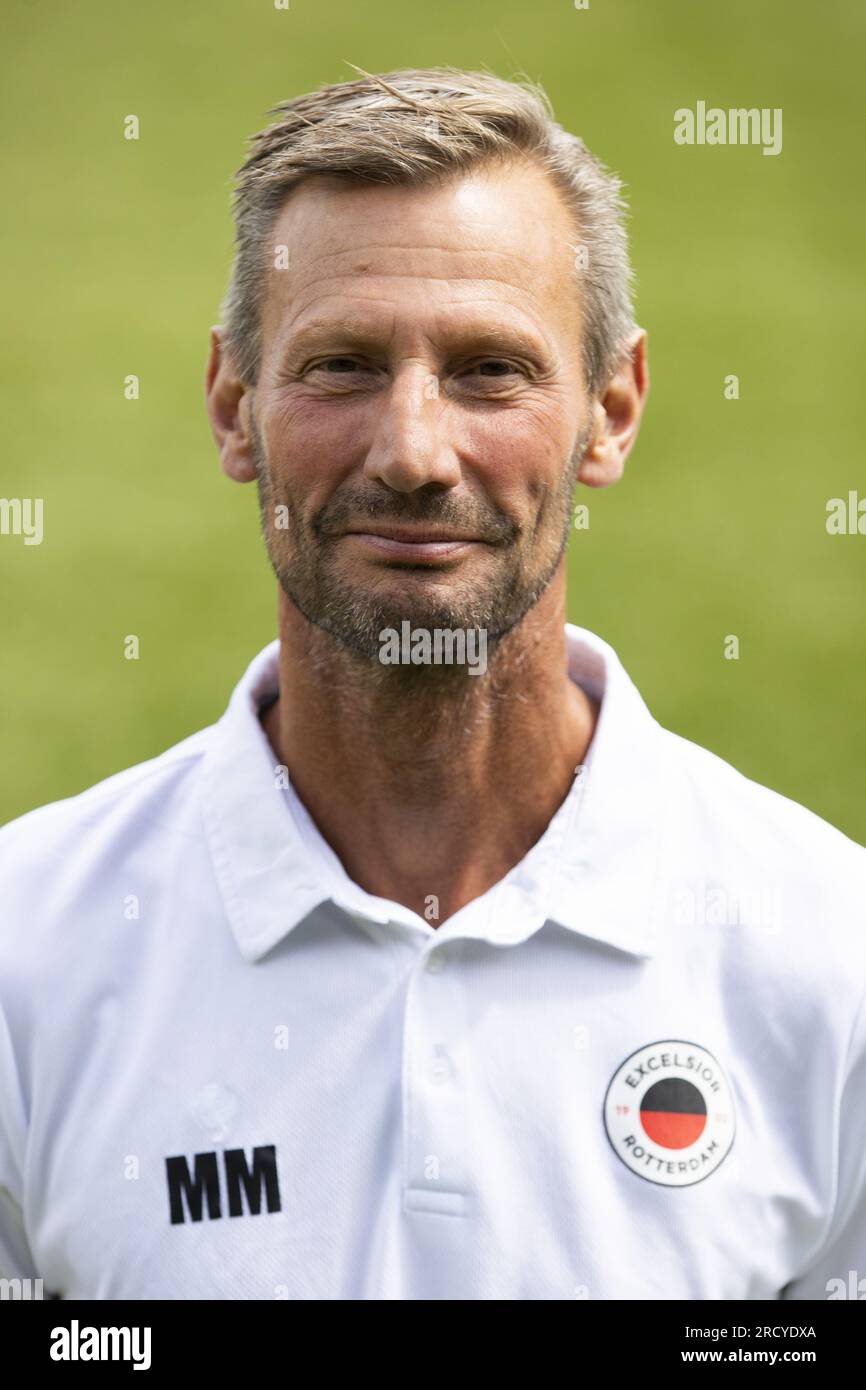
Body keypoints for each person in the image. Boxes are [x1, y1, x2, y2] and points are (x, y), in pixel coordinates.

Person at [1, 67, 863, 1301]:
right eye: (342, 366)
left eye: (488, 371)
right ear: (232, 405)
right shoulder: (26, 952)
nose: (412, 451)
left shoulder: (829, 957)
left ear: (608, 411)